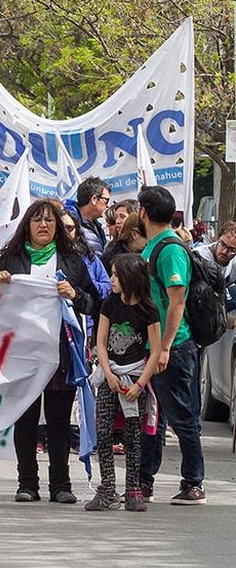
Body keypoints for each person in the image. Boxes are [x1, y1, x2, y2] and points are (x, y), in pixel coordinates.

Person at [0, 198, 99, 504]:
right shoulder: (11, 259)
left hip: (60, 353)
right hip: (21, 355)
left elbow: (94, 302)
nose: (43, 225)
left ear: (58, 228)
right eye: (37, 220)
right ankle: (27, 483)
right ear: (27, 225)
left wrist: (75, 294)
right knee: (25, 421)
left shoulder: (72, 260)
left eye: (49, 221)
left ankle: (61, 485)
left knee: (59, 422)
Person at [137, 185, 206, 505]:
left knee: (182, 418)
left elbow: (176, 301)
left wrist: (164, 348)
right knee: (152, 419)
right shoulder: (153, 246)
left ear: (144, 213)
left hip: (173, 348)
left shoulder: (170, 250)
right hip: (155, 347)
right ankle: (144, 481)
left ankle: (194, 483)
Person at [85, 253, 162, 512]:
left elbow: (155, 350)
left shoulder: (148, 309)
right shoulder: (109, 303)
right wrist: (108, 374)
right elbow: (101, 343)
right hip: (111, 376)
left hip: (135, 376)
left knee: (133, 436)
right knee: (104, 431)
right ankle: (107, 488)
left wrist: (140, 384)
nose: (111, 280)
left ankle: (133, 489)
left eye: (116, 275)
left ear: (130, 277)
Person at [67, 177, 111, 257]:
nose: (107, 205)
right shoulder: (69, 224)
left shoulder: (97, 226)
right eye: (106, 200)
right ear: (94, 199)